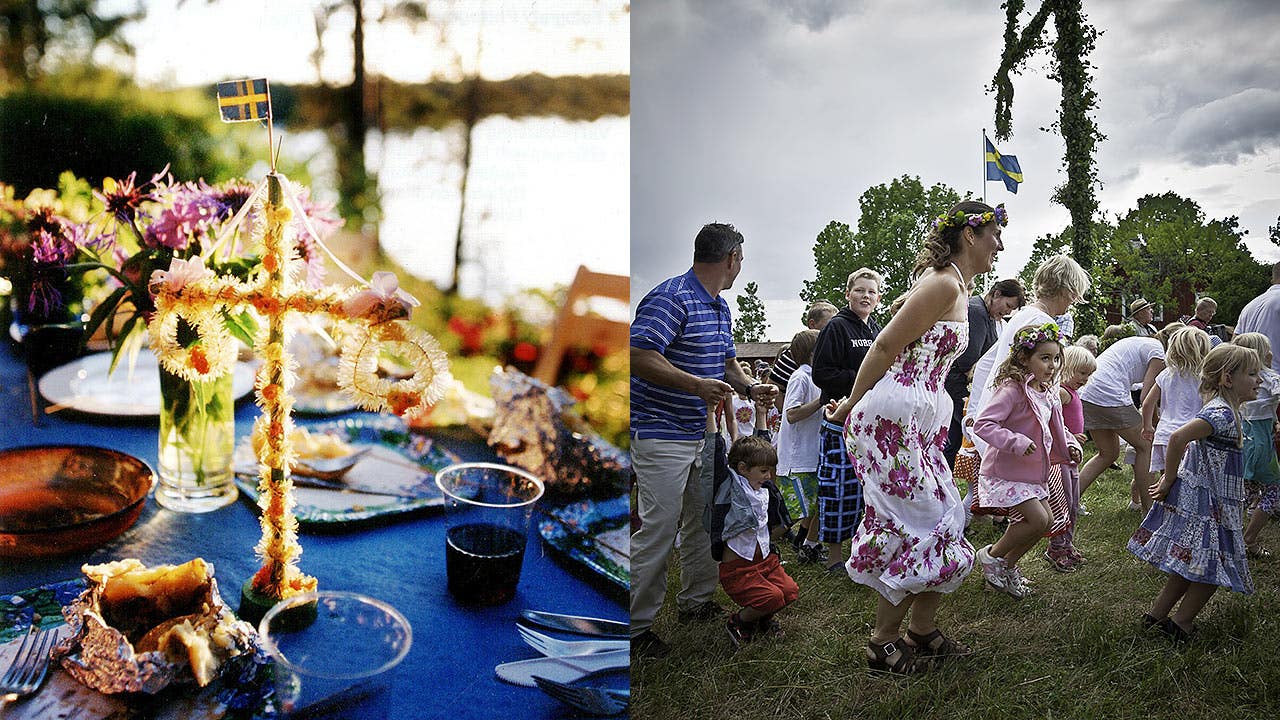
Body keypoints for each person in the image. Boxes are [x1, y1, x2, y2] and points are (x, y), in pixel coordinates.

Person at [830, 200, 1007, 674]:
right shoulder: (944, 283)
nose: (1000, 245)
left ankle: (921, 631)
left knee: (946, 516)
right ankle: (882, 643)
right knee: (921, 524)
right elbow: (886, 344)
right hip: (893, 417)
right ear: (970, 235)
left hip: (920, 420)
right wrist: (850, 400)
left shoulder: (955, 284)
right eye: (994, 235)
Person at [629, 222, 779, 658]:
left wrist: (751, 388)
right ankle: (635, 630)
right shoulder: (671, 297)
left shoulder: (720, 308)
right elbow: (637, 355)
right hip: (661, 434)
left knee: (704, 519)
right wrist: (696, 386)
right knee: (658, 529)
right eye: (741, 260)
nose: (740, 268)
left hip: (703, 436)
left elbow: (727, 364)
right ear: (731, 258)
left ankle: (695, 601)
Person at [1128, 343, 1262, 643]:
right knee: (1212, 568)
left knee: (1192, 564)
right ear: (1228, 378)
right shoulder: (1221, 414)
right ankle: (1181, 624)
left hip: (1213, 501)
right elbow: (1177, 438)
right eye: (1252, 374)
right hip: (1209, 504)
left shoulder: (1225, 411)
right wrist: (1167, 480)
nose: (1260, 380)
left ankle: (1156, 616)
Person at [971, 323, 1081, 597]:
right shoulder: (1013, 390)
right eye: (1045, 358)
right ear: (1024, 358)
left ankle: (1007, 566)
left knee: (1046, 521)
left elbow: (1055, 427)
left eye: (1056, 358)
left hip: (1033, 473)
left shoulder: (1046, 391)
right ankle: (991, 555)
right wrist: (1016, 442)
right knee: (1035, 519)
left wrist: (1069, 444)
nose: (1053, 365)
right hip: (1007, 471)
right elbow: (983, 424)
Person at [812, 268, 884, 571]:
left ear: (878, 298)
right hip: (840, 420)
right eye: (860, 290)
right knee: (839, 488)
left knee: (866, 489)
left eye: (871, 291)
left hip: (869, 423)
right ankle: (834, 556)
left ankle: (861, 549)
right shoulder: (837, 328)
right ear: (848, 294)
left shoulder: (876, 330)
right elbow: (821, 373)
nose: (865, 296)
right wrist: (862, 380)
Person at [706, 433, 799, 648]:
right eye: (764, 471)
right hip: (740, 570)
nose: (769, 476)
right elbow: (713, 462)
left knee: (789, 591)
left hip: (765, 563)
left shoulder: (763, 490)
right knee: (772, 597)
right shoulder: (730, 489)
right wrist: (711, 411)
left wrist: (762, 412)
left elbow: (761, 442)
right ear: (742, 469)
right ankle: (738, 622)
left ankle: (761, 618)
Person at [1077, 329, 1172, 514]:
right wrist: (1153, 424)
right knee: (1146, 444)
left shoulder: (1145, 343)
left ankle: (1067, 503)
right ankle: (1149, 510)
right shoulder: (1159, 352)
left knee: (1108, 454)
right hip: (1108, 393)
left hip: (1088, 393)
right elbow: (1146, 397)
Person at [943, 278, 1026, 467]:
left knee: (954, 438)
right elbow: (969, 359)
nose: (1007, 312)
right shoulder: (977, 312)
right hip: (959, 384)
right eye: (1007, 305)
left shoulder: (988, 315)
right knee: (965, 435)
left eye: (1012, 309)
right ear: (996, 294)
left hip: (961, 383)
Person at [774, 329, 824, 562]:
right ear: (814, 353)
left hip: (811, 455)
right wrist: (821, 401)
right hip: (797, 459)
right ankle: (760, 544)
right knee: (792, 513)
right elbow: (792, 414)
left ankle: (804, 545)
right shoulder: (800, 377)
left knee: (814, 507)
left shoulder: (816, 376)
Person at [1045, 344, 1096, 571]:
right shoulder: (1061, 392)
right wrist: (1069, 435)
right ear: (1067, 368)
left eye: (1088, 375)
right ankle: (1056, 547)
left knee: (1074, 503)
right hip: (1060, 457)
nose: (1085, 379)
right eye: (1081, 373)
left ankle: (1067, 544)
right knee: (1063, 503)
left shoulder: (1072, 392)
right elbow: (1051, 421)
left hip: (1072, 457)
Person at [1141, 327, 1212, 484]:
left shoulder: (1166, 374)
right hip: (1192, 436)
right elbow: (1208, 406)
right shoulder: (1204, 378)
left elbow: (1147, 403)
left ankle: (1166, 507)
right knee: (1191, 481)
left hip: (1165, 435)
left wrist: (1147, 426)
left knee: (1166, 480)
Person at [1233, 333, 1280, 557]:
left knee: (1248, 489)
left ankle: (1231, 536)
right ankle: (1249, 539)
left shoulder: (1237, 379)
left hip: (1243, 439)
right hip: (1261, 443)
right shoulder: (1269, 377)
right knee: (1275, 491)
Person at [769, 301, 838, 410]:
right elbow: (774, 386)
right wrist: (784, 413)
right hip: (800, 419)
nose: (834, 329)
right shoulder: (794, 353)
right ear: (812, 324)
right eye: (829, 324)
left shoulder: (832, 350)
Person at [1235, 261, 1280, 373]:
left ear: (1273, 279)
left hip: (1248, 381)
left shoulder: (1249, 306)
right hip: (1275, 379)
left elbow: (1234, 344)